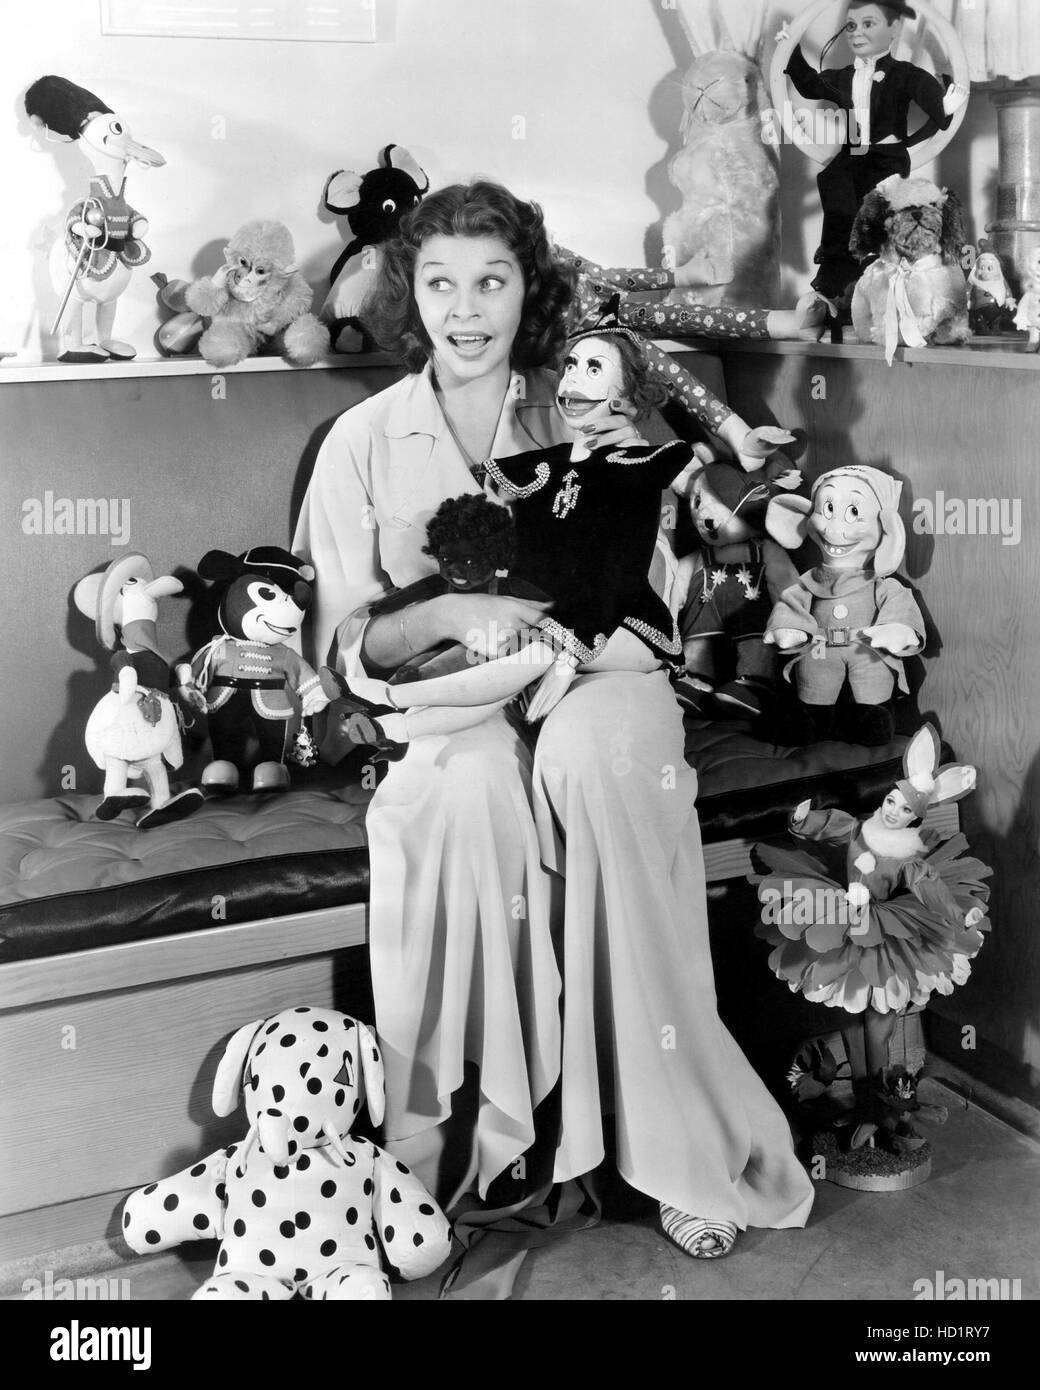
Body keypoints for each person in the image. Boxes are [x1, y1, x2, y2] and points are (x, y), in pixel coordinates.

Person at [292, 180, 814, 1284]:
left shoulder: (592, 401)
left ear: (530, 289)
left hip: (601, 674)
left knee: (601, 760)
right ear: (410, 293)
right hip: (450, 702)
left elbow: (679, 600)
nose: (465, 307)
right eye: (440, 282)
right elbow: (344, 650)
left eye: (492, 279)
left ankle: (677, 1153)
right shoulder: (359, 442)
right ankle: (473, 1153)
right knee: (466, 792)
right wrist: (442, 613)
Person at [320, 327, 707, 755]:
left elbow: (622, 574)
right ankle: (397, 733)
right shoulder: (548, 465)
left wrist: (566, 658)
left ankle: (383, 698)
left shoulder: (636, 466)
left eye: (594, 368)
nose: (575, 379)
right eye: (572, 366)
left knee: (530, 654)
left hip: (629, 626)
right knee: (508, 671)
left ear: (627, 399)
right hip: (564, 617)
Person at [777, 1, 968, 301]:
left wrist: (943, 106)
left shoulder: (904, 73)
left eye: (868, 24)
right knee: (834, 187)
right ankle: (836, 277)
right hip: (854, 154)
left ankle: (882, 278)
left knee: (878, 211)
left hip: (886, 157)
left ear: (893, 29)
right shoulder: (843, 76)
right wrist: (791, 51)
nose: (857, 33)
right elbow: (812, 86)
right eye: (851, 26)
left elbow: (925, 90)